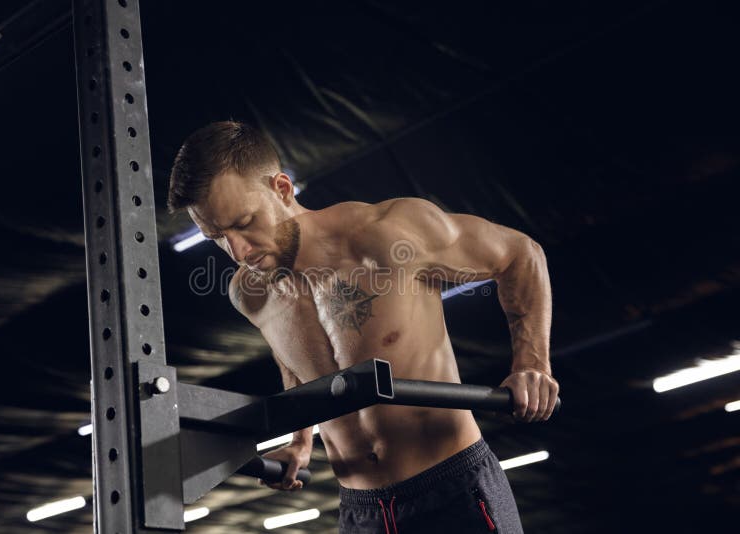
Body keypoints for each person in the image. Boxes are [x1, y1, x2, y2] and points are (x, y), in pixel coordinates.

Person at [168, 121, 559, 533]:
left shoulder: (388, 234)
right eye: (217, 236)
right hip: (361, 512)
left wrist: (532, 364)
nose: (238, 250)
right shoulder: (250, 293)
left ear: (282, 189)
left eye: (245, 222)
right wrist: (301, 442)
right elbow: (296, 363)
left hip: (451, 489)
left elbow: (521, 255)